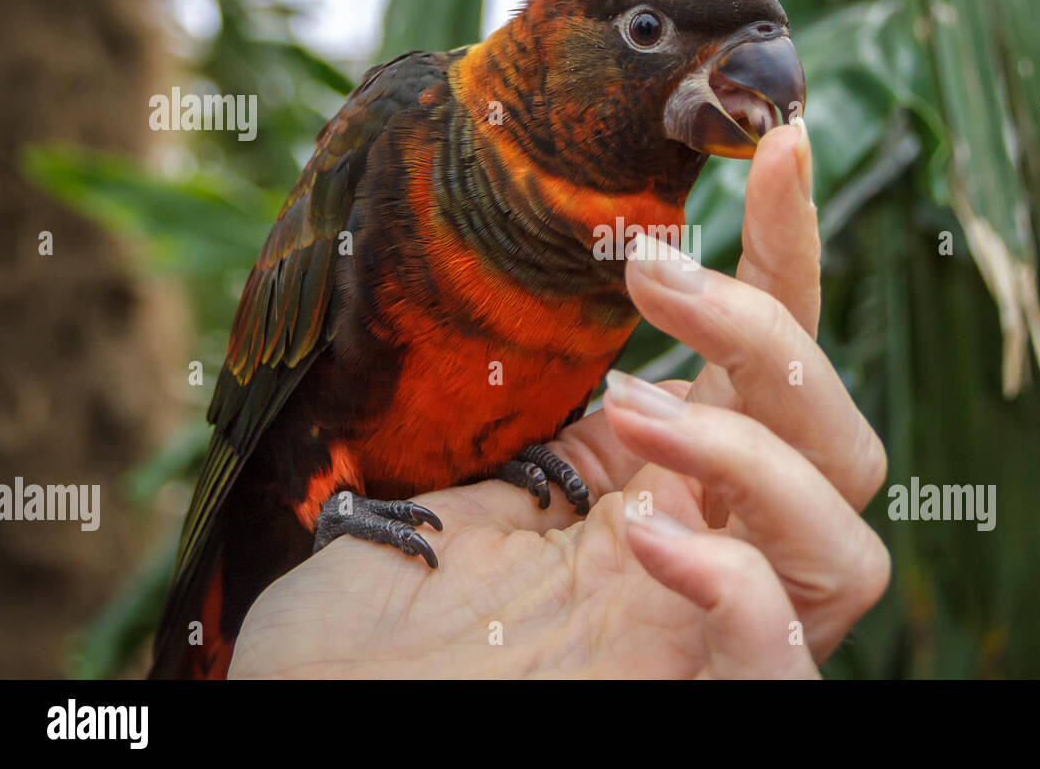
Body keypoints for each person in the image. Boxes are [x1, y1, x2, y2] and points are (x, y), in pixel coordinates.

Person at [229, 123, 890, 678]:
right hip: (294, 498)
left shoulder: (631, 253)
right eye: (645, 28)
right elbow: (261, 409)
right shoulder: (415, 127)